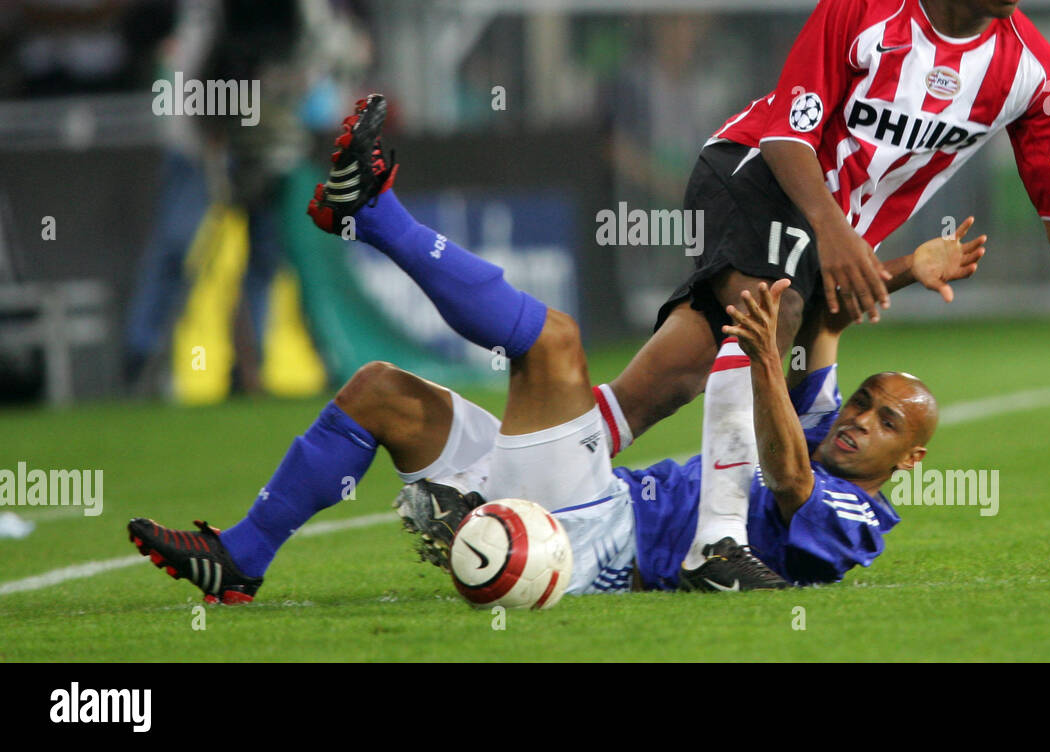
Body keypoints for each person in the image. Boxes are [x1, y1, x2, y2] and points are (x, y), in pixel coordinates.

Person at [126, 95, 983, 601]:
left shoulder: (860, 520)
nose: (861, 419)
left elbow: (792, 481)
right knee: (380, 389)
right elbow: (828, 319)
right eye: (867, 401)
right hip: (593, 484)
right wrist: (907, 266)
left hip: (603, 533)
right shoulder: (817, 409)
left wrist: (764, 358)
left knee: (558, 344)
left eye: (885, 421)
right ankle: (241, 559)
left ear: (909, 461)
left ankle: (374, 215)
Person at [592, 0, 1050, 591]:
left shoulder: (1033, 72)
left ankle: (511, 474)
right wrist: (835, 233)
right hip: (754, 169)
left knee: (668, 379)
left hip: (823, 229)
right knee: (778, 312)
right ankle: (718, 542)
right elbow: (786, 136)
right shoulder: (863, 7)